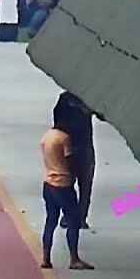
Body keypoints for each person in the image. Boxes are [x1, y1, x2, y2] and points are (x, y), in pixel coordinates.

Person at [40, 102, 93, 270]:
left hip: (48, 183)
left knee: (50, 221)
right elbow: (69, 161)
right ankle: (74, 258)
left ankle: (46, 258)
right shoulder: (64, 139)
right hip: (63, 185)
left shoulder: (47, 136)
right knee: (73, 220)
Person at [55, 92, 104, 229]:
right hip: (73, 147)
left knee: (82, 184)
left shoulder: (87, 99)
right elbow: (57, 121)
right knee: (73, 184)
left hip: (80, 147)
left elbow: (103, 114)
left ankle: (79, 217)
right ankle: (73, 216)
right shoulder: (66, 99)